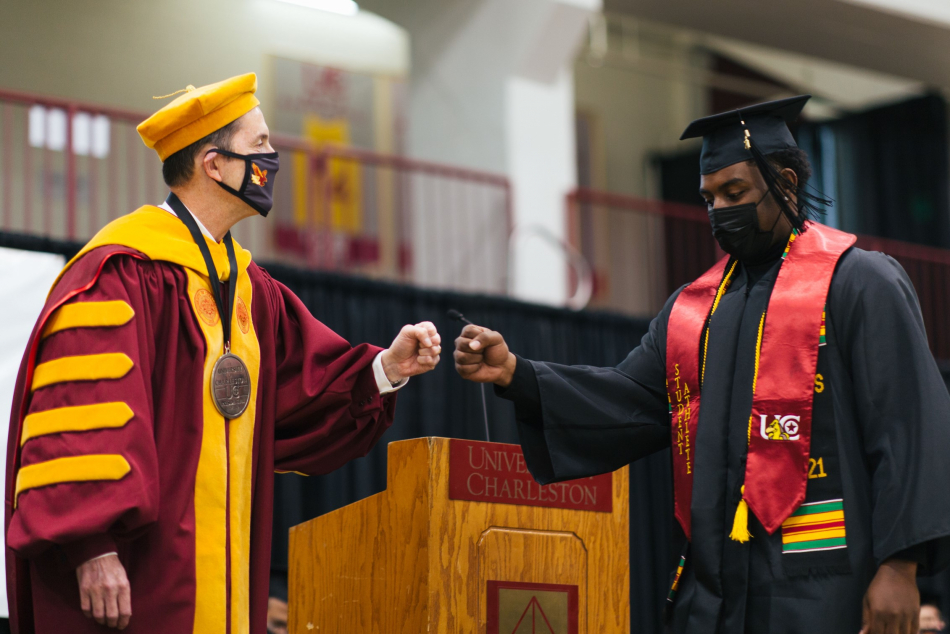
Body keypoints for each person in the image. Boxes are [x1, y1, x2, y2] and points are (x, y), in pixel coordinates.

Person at [454, 95, 950, 634]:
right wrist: (516, 375)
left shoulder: (860, 283)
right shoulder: (696, 311)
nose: (719, 211)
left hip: (824, 579)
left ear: (784, 181)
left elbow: (909, 425)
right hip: (716, 589)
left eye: (734, 193)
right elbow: (630, 399)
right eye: (709, 198)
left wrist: (901, 567)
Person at [4, 73, 442, 634]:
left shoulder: (250, 289)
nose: (272, 158)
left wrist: (387, 369)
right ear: (214, 164)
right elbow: (80, 421)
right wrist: (93, 547)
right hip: (141, 578)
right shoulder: (123, 274)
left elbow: (296, 394)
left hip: (230, 586)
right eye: (259, 145)